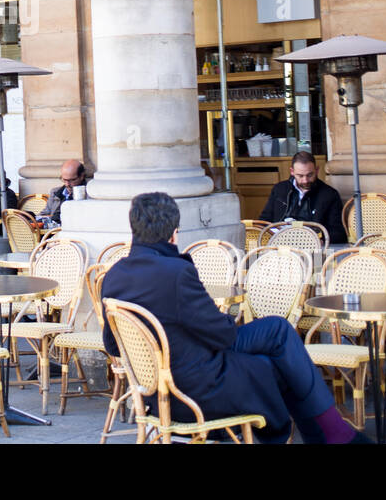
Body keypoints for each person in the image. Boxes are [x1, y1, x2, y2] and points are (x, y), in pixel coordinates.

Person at [100, 192, 369, 443]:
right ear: (174, 234)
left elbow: (113, 346)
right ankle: (333, 432)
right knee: (278, 342)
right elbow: (224, 336)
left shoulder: (114, 276)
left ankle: (329, 432)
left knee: (277, 343)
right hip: (196, 389)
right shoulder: (176, 273)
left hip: (155, 394)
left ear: (134, 230)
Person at [259, 151, 345, 244]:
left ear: (317, 170)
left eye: (310, 175)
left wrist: (320, 240)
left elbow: (338, 233)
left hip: (312, 247)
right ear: (292, 171)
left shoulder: (329, 195)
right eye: (300, 176)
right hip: (279, 245)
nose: (305, 180)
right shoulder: (280, 190)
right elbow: (264, 221)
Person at [39, 160, 87, 225]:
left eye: (72, 180)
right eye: (64, 180)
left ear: (81, 176)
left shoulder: (88, 194)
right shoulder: (55, 192)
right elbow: (45, 214)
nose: (67, 184)